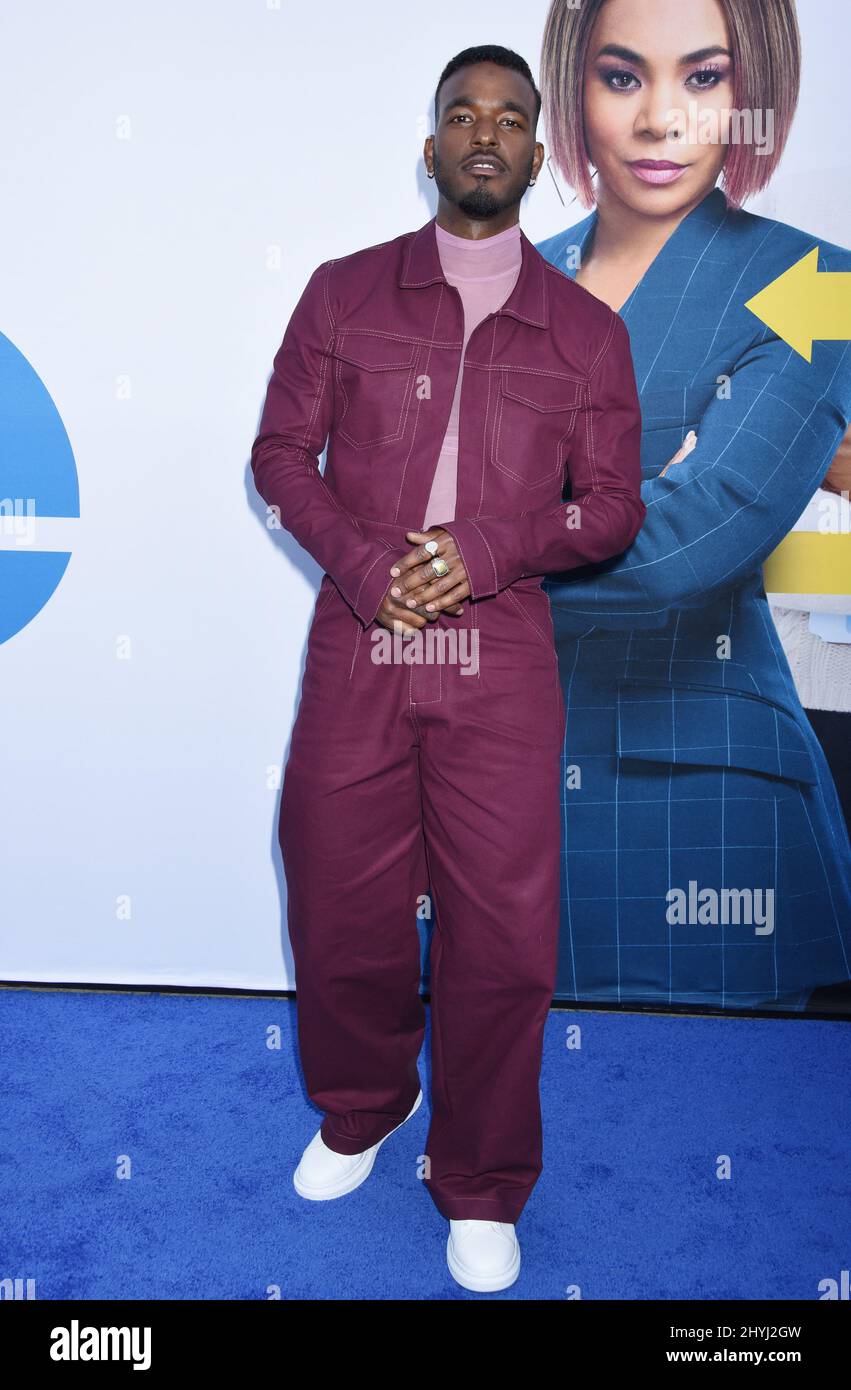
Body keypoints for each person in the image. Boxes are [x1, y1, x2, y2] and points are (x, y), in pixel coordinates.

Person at [250, 44, 645, 1292]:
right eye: (461, 116)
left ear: (537, 154)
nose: (485, 134)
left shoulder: (584, 334)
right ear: (429, 149)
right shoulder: (343, 293)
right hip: (358, 641)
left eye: (510, 118)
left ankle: (478, 1179)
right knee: (333, 891)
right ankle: (364, 1103)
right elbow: (277, 457)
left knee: (502, 933)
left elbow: (613, 511)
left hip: (502, 656)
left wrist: (479, 551)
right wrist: (370, 571)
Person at [533, 0, 851, 1010]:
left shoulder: (814, 281)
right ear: (573, 87)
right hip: (491, 796)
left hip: (699, 806)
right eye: (621, 76)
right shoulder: (500, 283)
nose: (660, 118)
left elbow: (697, 531)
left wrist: (463, 566)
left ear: (752, 87)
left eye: (701, 78)